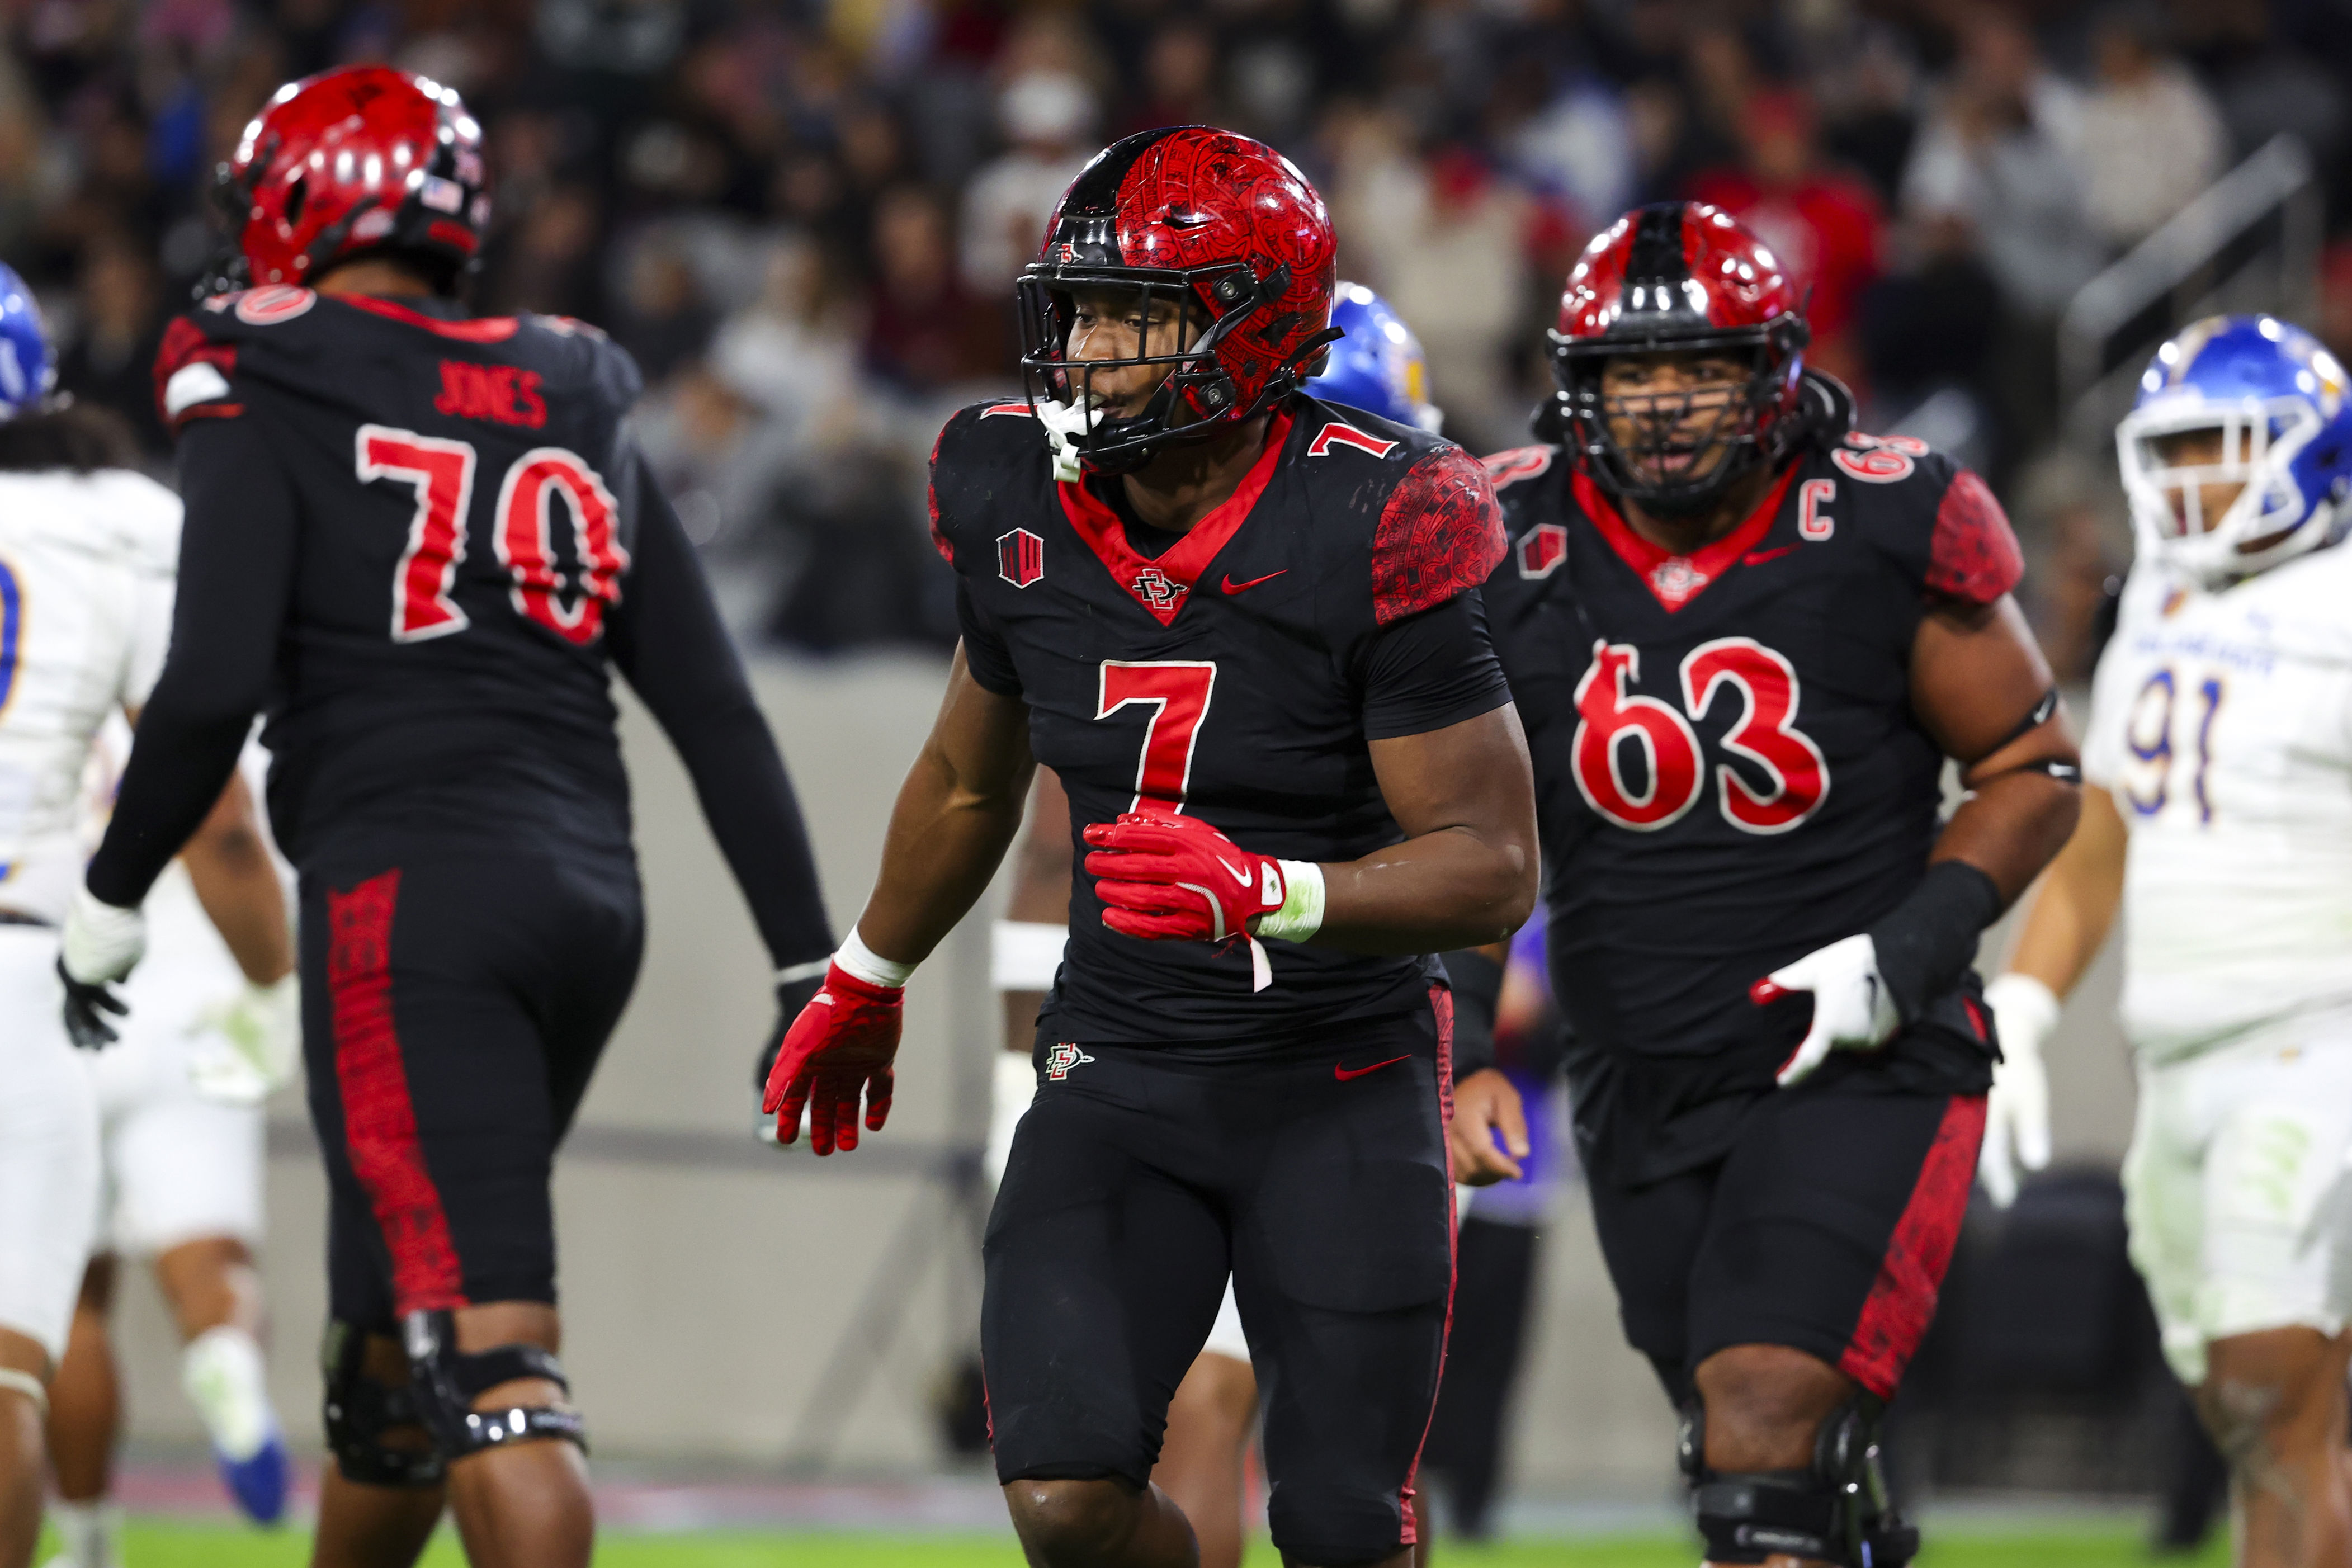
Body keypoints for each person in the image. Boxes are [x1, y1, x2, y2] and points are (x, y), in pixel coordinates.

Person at [56, 67, 834, 1568]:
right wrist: (808, 960)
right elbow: (710, 701)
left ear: (294, 202)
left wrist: (108, 899)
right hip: (586, 896)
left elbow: (210, 682)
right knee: (386, 1379)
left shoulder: (256, 354)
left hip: (411, 897)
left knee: (488, 1365)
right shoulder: (575, 373)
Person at [763, 126, 1538, 1568]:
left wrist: (1269, 892)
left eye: (1144, 316)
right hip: (1119, 1062)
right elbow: (962, 776)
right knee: (1063, 1496)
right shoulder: (1009, 490)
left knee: (1339, 1526)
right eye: (1088, 308)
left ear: (1259, 331)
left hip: (1340, 1074)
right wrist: (867, 972)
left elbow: (1492, 862)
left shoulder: (1384, 507)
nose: (1097, 348)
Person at [1477, 202, 2080, 1568]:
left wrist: (1908, 950)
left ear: (1775, 372)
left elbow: (2032, 766)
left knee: (1761, 1424)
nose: (1665, 403)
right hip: (1639, 1065)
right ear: (1580, 384)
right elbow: (1461, 824)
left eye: (1701, 366)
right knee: (1741, 1465)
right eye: (1632, 371)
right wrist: (1460, 1042)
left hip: (1861, 1054)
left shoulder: (1881, 513)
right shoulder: (1504, 536)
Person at [981, 281, 1489, 1568]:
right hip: (1144, 1043)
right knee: (1170, 1421)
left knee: (1344, 1504)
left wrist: (1466, 1038)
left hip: (1354, 1048)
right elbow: (1043, 834)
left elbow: (1496, 855)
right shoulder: (1108, 546)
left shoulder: (1410, 549)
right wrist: (1011, 1062)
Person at [1981, 315, 2352, 1568]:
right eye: (2177, 449)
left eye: (2223, 449)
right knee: (2246, 1415)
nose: (2190, 480)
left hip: (2315, 1035)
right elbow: (2104, 836)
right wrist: (2027, 1005)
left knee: (2274, 1382)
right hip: (2175, 1051)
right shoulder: (2160, 601)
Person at [0, 265, 291, 1568]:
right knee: (17, 1361)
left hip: (65, 972)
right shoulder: (113, 519)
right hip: (46, 971)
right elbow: (217, 807)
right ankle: (125, 1488)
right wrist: (282, 988)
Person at [44, 727, 298, 1567]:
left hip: (64, 1001)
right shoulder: (224, 695)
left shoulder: (51, 684)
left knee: (73, 1301)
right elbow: (234, 836)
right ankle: (225, 1359)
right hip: (199, 1004)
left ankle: (85, 1539)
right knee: (213, 1265)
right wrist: (280, 985)